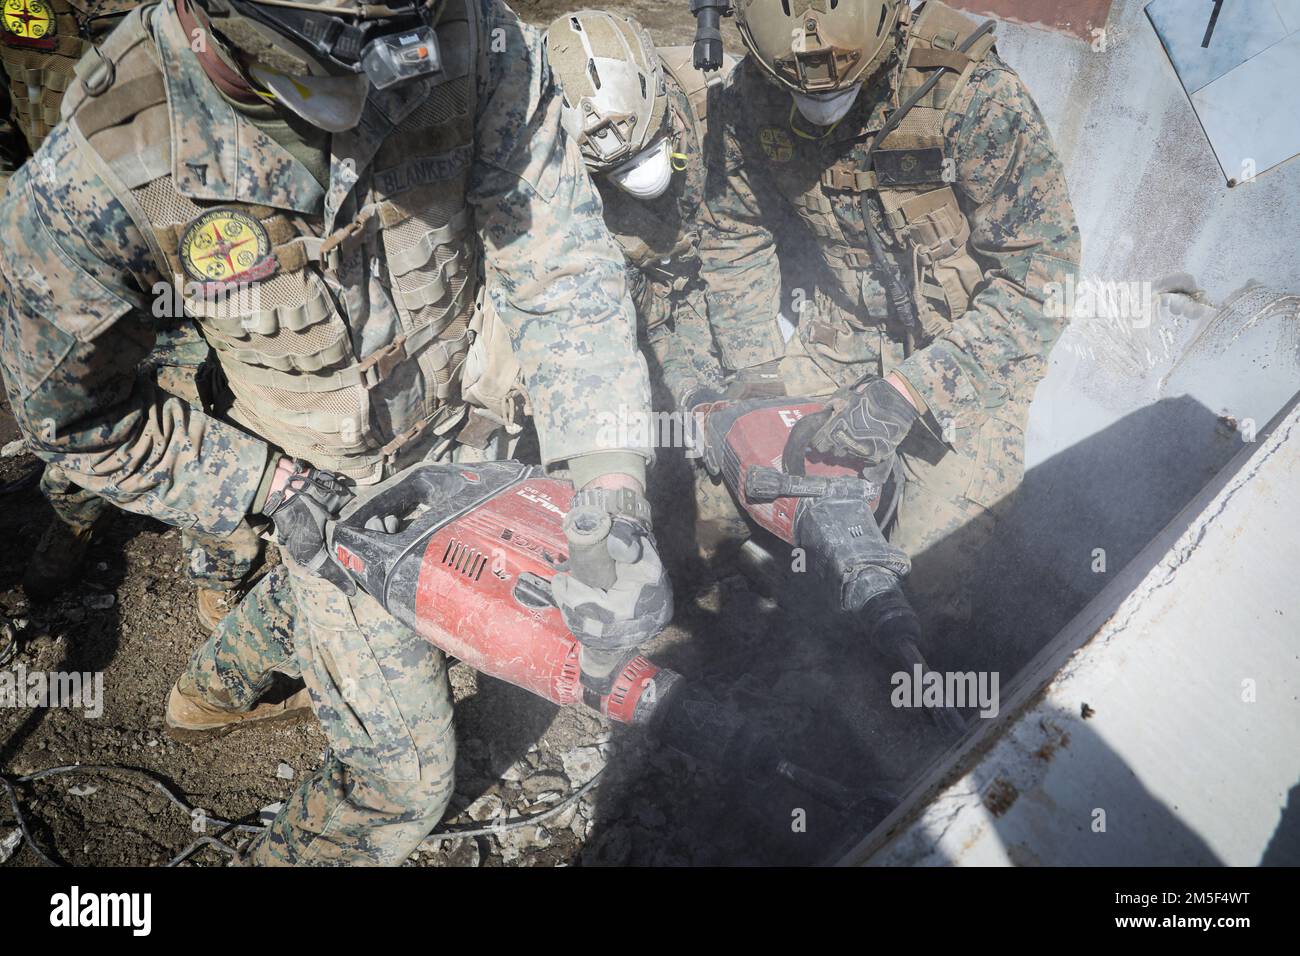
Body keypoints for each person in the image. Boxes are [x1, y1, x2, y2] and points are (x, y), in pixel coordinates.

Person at [0, 0, 669, 865]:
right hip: (311, 476)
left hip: (472, 441)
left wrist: (610, 477)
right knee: (403, 782)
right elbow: (75, 420)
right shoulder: (99, 169)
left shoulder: (479, 40)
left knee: (337, 592)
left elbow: (558, 262)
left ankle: (208, 689)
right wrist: (271, 488)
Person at [690, 0, 1081, 625]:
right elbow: (735, 230)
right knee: (719, 474)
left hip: (960, 360)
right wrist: (754, 368)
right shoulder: (748, 96)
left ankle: (904, 689)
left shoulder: (973, 97)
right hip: (836, 335)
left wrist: (910, 394)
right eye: (795, 84)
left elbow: (1041, 284)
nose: (819, 101)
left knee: (923, 575)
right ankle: (761, 624)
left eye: (846, 81)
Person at [0, 0, 262, 623]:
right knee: (86, 416)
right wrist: (23, 230)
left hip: (195, 251)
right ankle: (70, 523)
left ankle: (219, 565)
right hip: (68, 266)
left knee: (206, 405)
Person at [544, 9, 753, 560]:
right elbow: (626, 311)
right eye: (618, 166)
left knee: (749, 425)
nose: (638, 172)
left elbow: (753, 237)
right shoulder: (563, 175)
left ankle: (734, 545)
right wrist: (689, 388)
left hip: (730, 283)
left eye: (645, 147)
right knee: (664, 447)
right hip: (646, 318)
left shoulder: (721, 98)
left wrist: (753, 366)